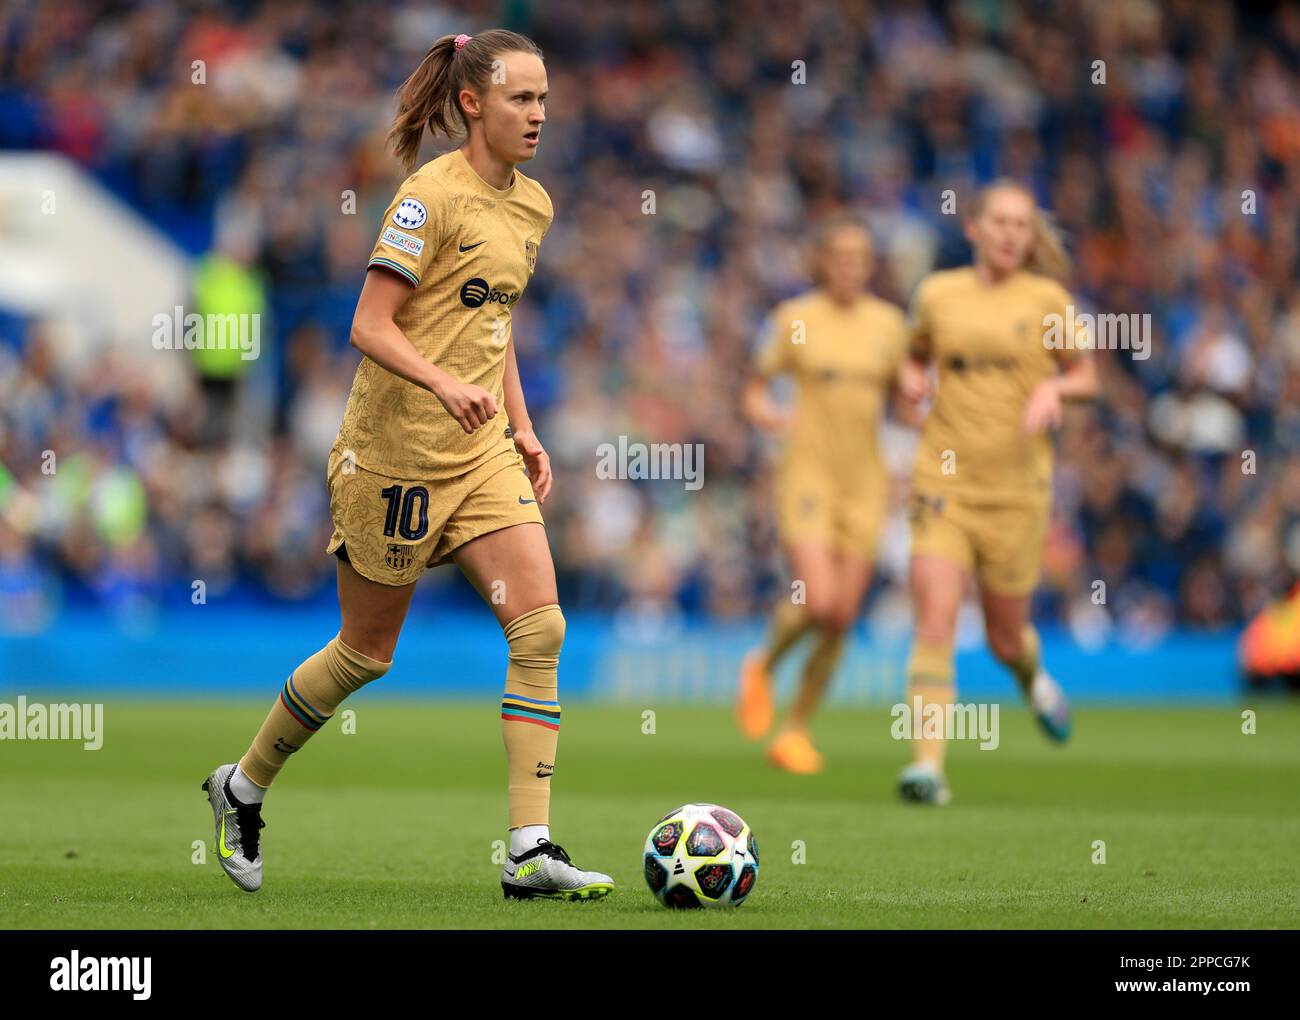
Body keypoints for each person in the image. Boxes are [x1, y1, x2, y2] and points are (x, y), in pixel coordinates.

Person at [203, 30, 614, 901]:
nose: (538, 115)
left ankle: (530, 850)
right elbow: (370, 324)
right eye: (520, 100)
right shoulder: (430, 197)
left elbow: (490, 324)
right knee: (365, 652)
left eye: (544, 98)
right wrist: (441, 385)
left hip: (480, 453)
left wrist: (523, 424)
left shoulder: (532, 205)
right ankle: (242, 787)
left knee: (539, 628)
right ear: (473, 103)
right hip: (391, 460)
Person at [895, 179, 1098, 805]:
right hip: (943, 482)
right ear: (975, 228)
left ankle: (1035, 681)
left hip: (1016, 491)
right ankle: (928, 767)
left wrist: (1053, 390)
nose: (1011, 233)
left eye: (1022, 224)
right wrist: (911, 384)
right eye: (1000, 222)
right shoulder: (937, 294)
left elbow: (1086, 374)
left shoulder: (1048, 300)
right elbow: (912, 356)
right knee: (935, 616)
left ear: (1030, 236)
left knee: (1004, 639)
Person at [736, 215, 908, 773]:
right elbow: (755, 390)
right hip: (808, 477)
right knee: (819, 599)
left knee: (841, 617)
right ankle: (761, 665)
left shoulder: (888, 324)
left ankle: (794, 732)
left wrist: (917, 394)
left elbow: (906, 401)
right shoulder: (795, 319)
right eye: (840, 255)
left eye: (861, 257)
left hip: (866, 482)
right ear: (823, 260)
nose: (850, 266)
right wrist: (769, 416)